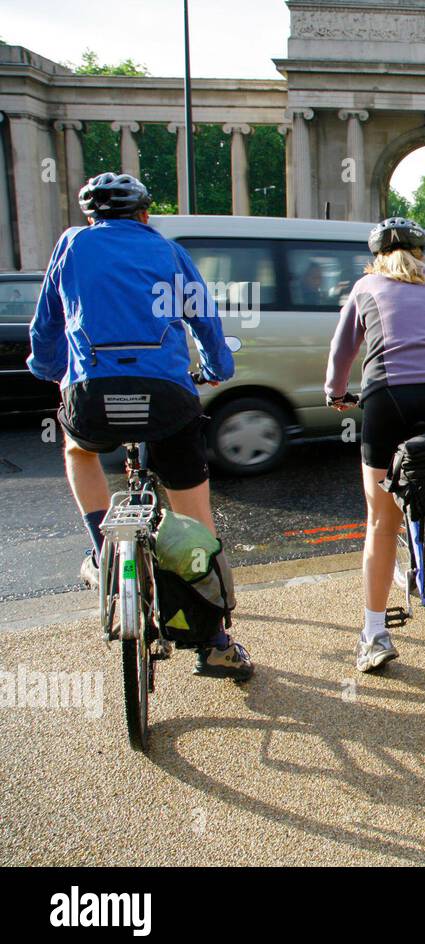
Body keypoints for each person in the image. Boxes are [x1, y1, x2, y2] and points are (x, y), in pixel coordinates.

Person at [28, 172, 252, 680]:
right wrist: (218, 368)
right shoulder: (168, 251)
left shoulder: (71, 244)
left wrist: (48, 369)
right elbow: (204, 318)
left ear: (91, 217)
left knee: (78, 451)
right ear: (145, 215)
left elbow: (48, 323)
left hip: (93, 398)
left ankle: (101, 548)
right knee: (196, 519)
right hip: (166, 399)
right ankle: (215, 643)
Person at [324, 217, 425, 672]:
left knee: (380, 519)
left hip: (390, 396)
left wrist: (335, 392)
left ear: (377, 257)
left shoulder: (365, 287)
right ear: (422, 253)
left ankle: (374, 634)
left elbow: (342, 351)